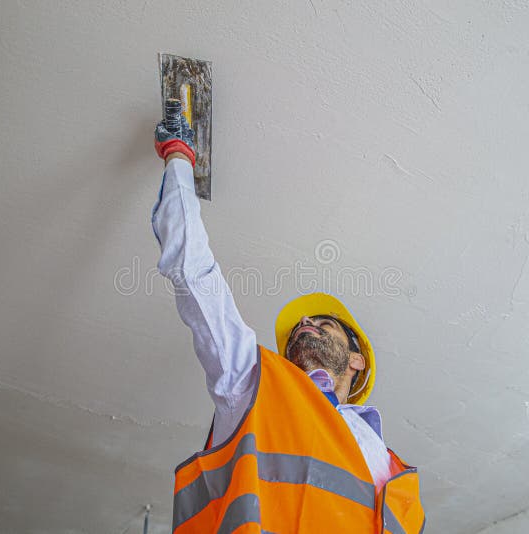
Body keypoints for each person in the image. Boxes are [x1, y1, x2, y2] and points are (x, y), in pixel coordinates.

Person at [152, 110, 425, 533]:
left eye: (325, 324)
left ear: (357, 360)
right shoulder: (254, 382)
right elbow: (193, 270)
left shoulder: (393, 469)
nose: (305, 324)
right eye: (300, 327)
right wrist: (178, 157)